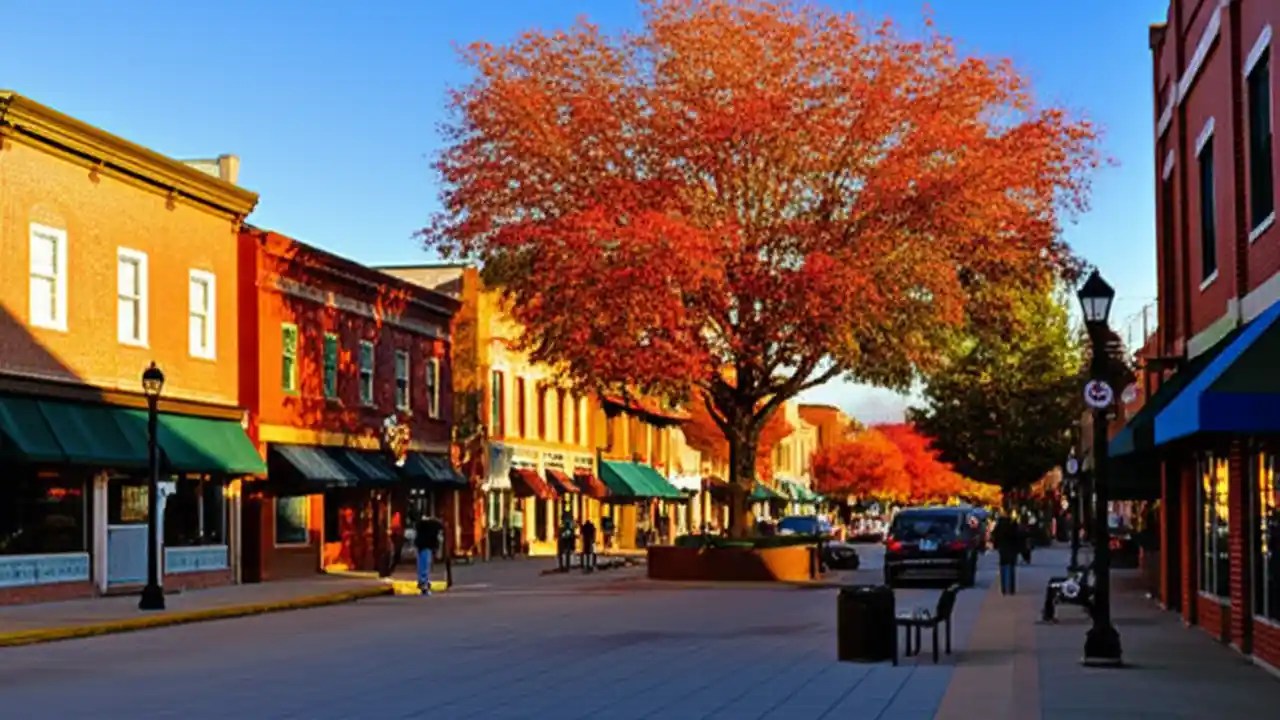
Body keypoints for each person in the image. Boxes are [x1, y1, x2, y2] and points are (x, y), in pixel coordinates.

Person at [414, 513, 444, 596]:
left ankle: (422, 583)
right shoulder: (435, 527)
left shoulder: (422, 525)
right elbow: (437, 538)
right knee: (425, 566)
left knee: (421, 566)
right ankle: (424, 585)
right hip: (426, 546)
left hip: (421, 546)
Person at [992, 516, 1021, 595]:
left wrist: (996, 546)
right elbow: (1017, 537)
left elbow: (994, 537)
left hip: (1003, 549)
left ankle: (1004, 589)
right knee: (1011, 568)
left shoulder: (999, 528)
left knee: (1003, 567)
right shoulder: (1012, 527)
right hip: (1012, 549)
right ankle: (1011, 589)